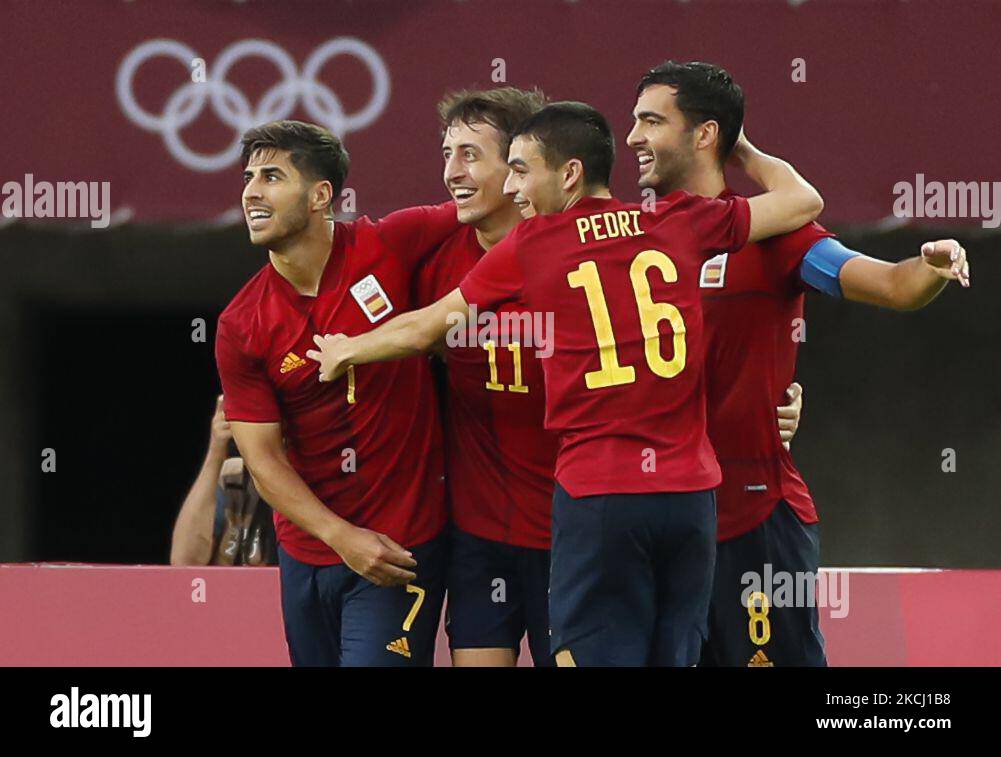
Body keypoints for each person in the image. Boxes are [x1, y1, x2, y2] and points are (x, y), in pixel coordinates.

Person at [308, 101, 824, 666]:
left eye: (523, 170)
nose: (513, 186)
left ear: (570, 173)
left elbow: (427, 326)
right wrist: (740, 146)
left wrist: (347, 349)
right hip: (691, 498)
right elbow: (804, 201)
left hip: (599, 494)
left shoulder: (535, 245)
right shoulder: (678, 218)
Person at [625, 60, 970, 667]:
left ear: (705, 135)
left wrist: (931, 267)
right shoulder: (626, 239)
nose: (631, 138)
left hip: (753, 515)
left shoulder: (776, 234)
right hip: (651, 519)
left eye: (651, 121)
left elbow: (892, 285)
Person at [215, 120, 461, 666]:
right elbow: (263, 460)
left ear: (321, 194)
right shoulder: (241, 324)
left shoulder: (390, 242)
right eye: (249, 176)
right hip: (308, 554)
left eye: (272, 176)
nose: (251, 190)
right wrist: (341, 537)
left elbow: (487, 205)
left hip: (399, 549)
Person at [415, 87, 555, 666]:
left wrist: (768, 405)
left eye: (470, 155)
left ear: (520, 165)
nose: (452, 173)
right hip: (478, 535)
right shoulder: (432, 260)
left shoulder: (581, 252)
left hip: (572, 533)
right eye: (447, 154)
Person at [170, 395, 277, 566]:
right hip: (234, 591)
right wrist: (216, 451)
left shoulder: (316, 476)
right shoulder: (233, 477)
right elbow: (185, 562)